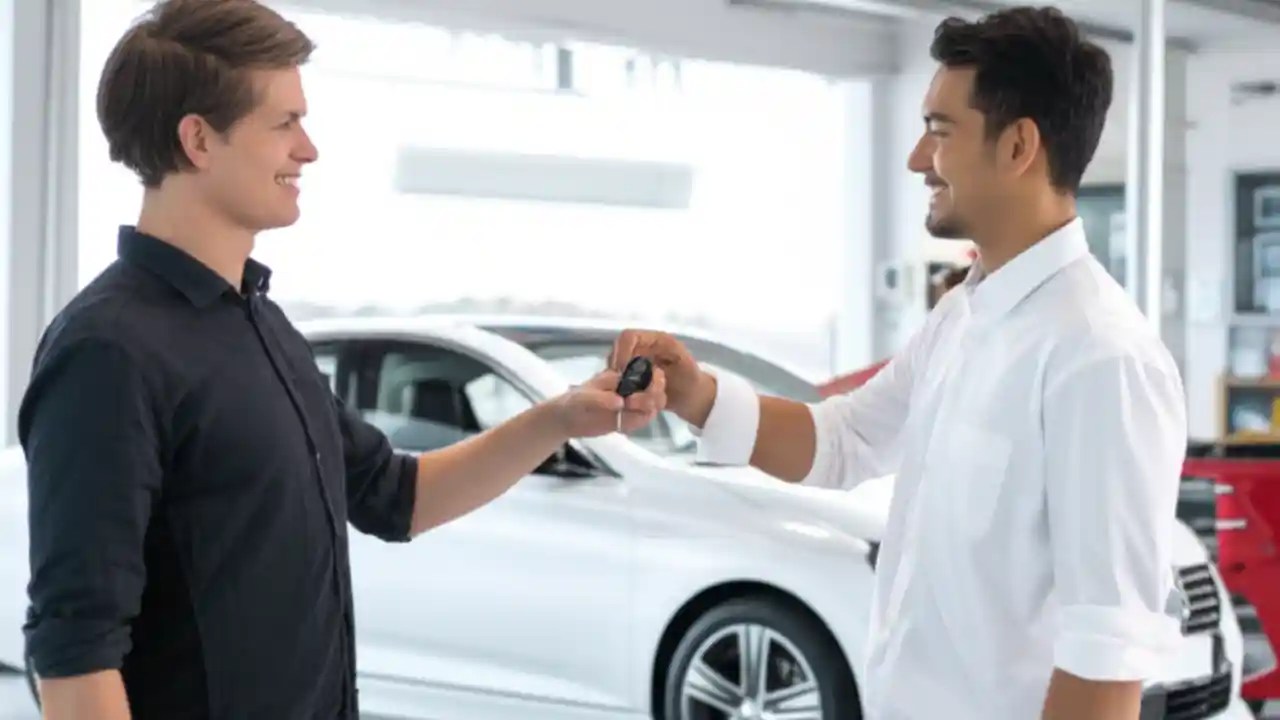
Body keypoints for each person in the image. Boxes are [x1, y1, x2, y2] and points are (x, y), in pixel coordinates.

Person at [16, 1, 665, 718]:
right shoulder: (108, 352)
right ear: (199, 140)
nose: (309, 150)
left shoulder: (262, 326)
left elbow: (397, 495)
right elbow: (78, 654)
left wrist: (563, 417)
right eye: (284, 123)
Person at [611, 6, 1187, 720]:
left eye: (940, 132)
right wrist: (694, 395)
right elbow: (842, 440)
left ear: (1017, 148)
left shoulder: (1102, 358)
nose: (918, 159)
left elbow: (1104, 661)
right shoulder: (962, 316)